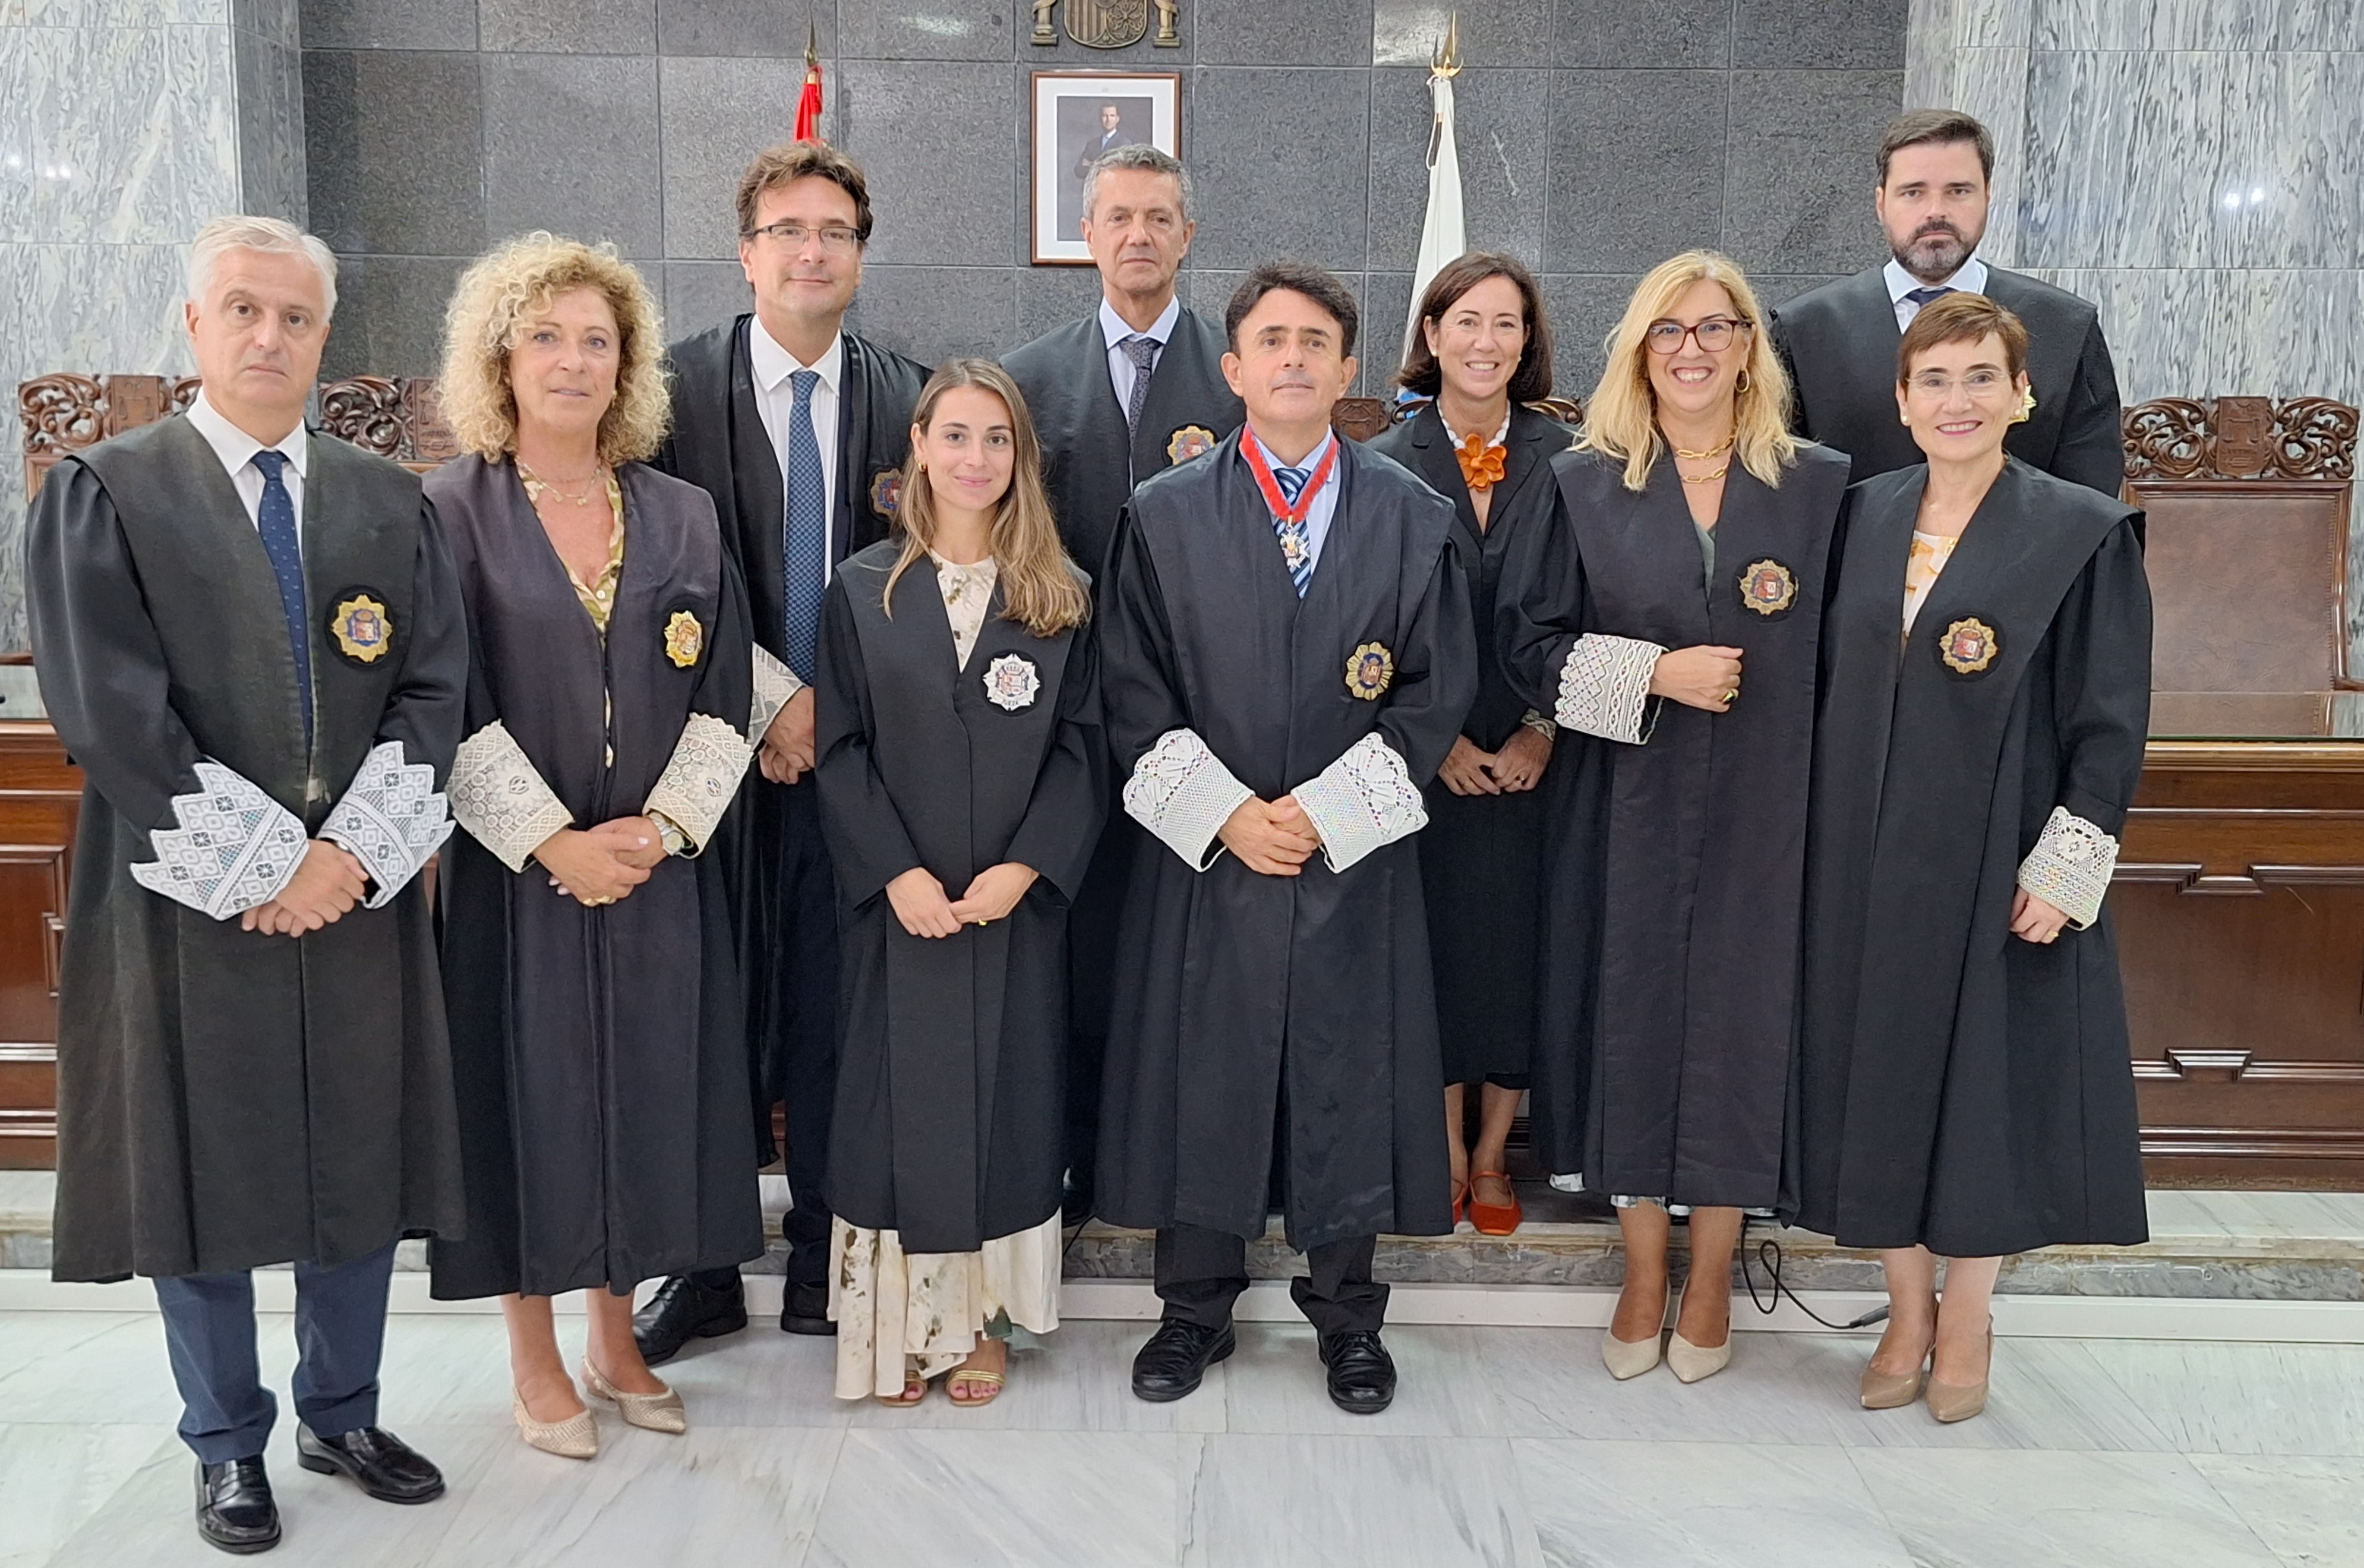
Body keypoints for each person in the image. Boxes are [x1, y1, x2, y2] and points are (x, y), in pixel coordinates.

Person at [26, 215, 463, 1553]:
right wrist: (271, 864)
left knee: (356, 1151)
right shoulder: (108, 486)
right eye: (243, 311)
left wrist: (344, 861)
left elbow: (432, 686)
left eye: (294, 317)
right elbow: (108, 702)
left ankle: (343, 1406)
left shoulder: (386, 499)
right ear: (196, 323)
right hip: (180, 896)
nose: (268, 336)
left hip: (356, 892)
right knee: (198, 1168)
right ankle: (227, 1440)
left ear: (325, 337)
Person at [1096, 263, 1476, 1415]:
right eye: (1272, 340)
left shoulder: (1413, 518)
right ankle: (1192, 1306)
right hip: (1212, 860)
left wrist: (1321, 812)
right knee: (1201, 1072)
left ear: (1349, 369)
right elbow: (1129, 686)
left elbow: (1432, 691)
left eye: (1317, 340)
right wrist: (1226, 811)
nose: (1295, 358)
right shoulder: (1159, 516)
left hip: (1345, 858)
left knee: (1345, 1074)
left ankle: (1349, 1320)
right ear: (1234, 368)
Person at [424, 235, 762, 1457]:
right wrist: (553, 841)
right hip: (518, 883)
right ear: (500, 357)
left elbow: (727, 693)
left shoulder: (681, 513)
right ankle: (533, 1355)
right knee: (528, 1105)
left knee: (641, 1098)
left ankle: (618, 1338)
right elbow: (438, 700)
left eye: (597, 339)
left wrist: (661, 829)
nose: (573, 359)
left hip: (657, 875)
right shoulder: (445, 510)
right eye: (547, 335)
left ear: (629, 368)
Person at [1795, 292, 2151, 1424]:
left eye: (1978, 378)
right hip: (1860, 862)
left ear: (2019, 394)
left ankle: (1968, 1312)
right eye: (1934, 380)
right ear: (1899, 401)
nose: (1956, 400)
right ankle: (1903, 1306)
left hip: (1997, 862)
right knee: (1878, 1084)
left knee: (1985, 1091)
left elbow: (2109, 717)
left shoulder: (2076, 529)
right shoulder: (1853, 517)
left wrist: (2064, 866)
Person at [1498, 251, 1849, 1384]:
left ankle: (1713, 1269)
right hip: (1625, 810)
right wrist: (1653, 672)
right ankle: (1641, 1265)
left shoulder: (1818, 487)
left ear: (1750, 345)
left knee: (1742, 1030)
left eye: (1715, 326)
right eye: (1665, 330)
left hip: (1768, 810)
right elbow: (1527, 647)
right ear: (1636, 351)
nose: (1691, 349)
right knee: (1635, 1021)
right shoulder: (1584, 482)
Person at [637, 141, 929, 1361]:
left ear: (861, 253)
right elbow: (647, 573)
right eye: (787, 229)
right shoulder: (664, 394)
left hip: (854, 760)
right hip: (697, 755)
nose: (812, 252)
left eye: (836, 232)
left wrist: (829, 711)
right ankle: (703, 1267)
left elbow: (931, 578)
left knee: (833, 1013)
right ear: (746, 249)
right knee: (705, 1009)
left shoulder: (909, 395)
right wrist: (772, 702)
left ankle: (820, 1256)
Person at [816, 359, 1103, 1406]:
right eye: (955, 436)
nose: (974, 457)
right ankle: (898, 1326)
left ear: (1019, 458)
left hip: (1008, 908)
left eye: (996, 439)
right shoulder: (861, 588)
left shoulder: (1058, 594)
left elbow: (1083, 750)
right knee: (892, 1116)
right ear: (918, 451)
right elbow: (839, 748)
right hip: (898, 910)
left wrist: (1023, 866)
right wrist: (894, 873)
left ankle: (976, 1323)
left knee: (1002, 1111)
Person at [1002, 143, 1243, 1222]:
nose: (1137, 235)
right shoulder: (1027, 378)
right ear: (1085, 236)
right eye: (1116, 217)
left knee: (1192, 944)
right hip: (1061, 714)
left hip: (1209, 714)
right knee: (1080, 939)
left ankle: (1196, 1162)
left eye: (1158, 217)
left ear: (1186, 235)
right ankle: (1079, 1153)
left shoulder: (1233, 370)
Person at [1365, 252, 1567, 1238]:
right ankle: (1442, 1149)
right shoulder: (1381, 461)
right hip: (1422, 756)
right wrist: (1430, 737)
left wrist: (1542, 726)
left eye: (1505, 323)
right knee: (1437, 948)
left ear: (1526, 342)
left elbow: (1599, 603)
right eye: (1466, 321)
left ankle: (1495, 1153)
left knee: (1517, 949)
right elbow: (1363, 621)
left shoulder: (1572, 461)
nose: (1484, 341)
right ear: (1432, 333)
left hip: (1538, 752)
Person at [1770, 109, 2125, 496]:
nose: (1935, 211)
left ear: (1987, 196)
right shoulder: (1805, 333)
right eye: (1913, 192)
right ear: (1880, 203)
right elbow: (1783, 490)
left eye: (1958, 190)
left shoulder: (2064, 329)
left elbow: (2092, 497)